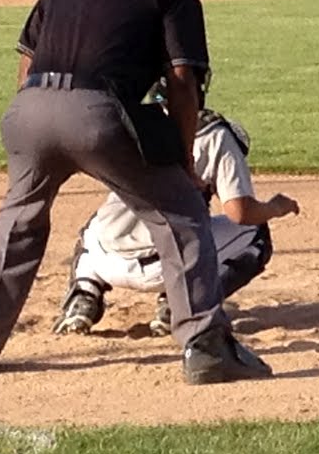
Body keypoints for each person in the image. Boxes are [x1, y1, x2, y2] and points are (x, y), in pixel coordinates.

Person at [0, 0, 271, 385]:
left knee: (18, 218)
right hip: (98, 113)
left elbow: (26, 64)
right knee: (182, 213)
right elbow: (182, 83)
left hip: (27, 111)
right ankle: (206, 346)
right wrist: (184, 157)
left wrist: (35, 116)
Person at [53, 98, 300, 336]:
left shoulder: (132, 122)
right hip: (172, 263)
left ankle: (84, 292)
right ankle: (184, 302)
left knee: (95, 226)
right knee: (256, 233)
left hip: (106, 261)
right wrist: (276, 207)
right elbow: (240, 212)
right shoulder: (216, 134)